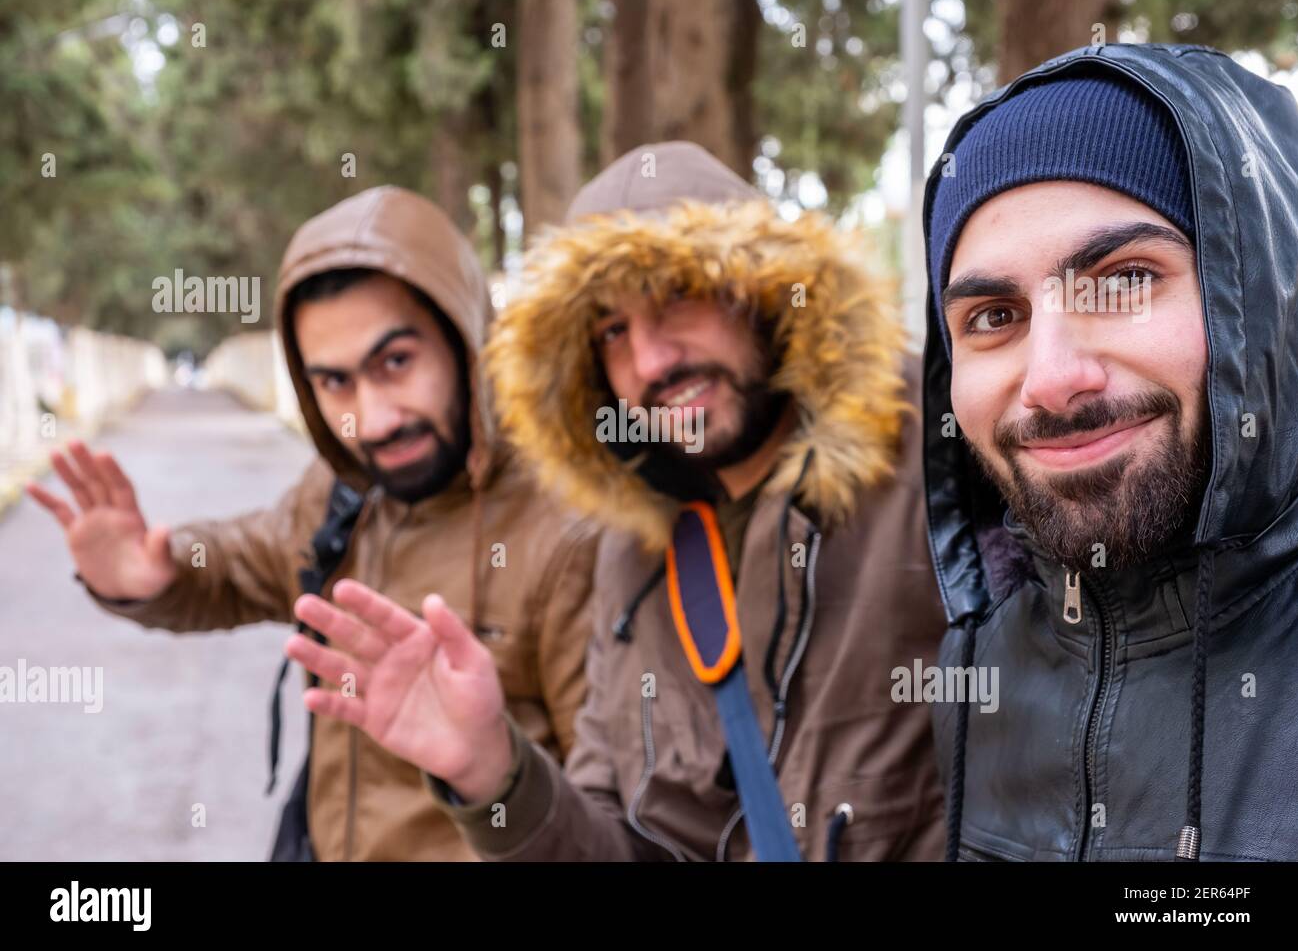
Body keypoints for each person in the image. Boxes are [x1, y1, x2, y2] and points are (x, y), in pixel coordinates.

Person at [287, 142, 949, 861]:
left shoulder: (938, 450)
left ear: (766, 285)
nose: (653, 362)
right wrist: (492, 774)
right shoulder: (631, 554)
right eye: (611, 330)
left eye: (679, 295)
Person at [28, 185, 598, 861]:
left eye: (396, 363)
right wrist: (157, 571)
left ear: (466, 338)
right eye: (334, 382)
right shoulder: (344, 490)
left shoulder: (571, 530)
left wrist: (495, 780)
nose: (375, 417)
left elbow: (613, 832)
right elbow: (244, 563)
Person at [923, 44, 1298, 861]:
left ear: (1270, 295)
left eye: (1123, 281)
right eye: (993, 316)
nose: (1053, 381)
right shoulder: (977, 665)